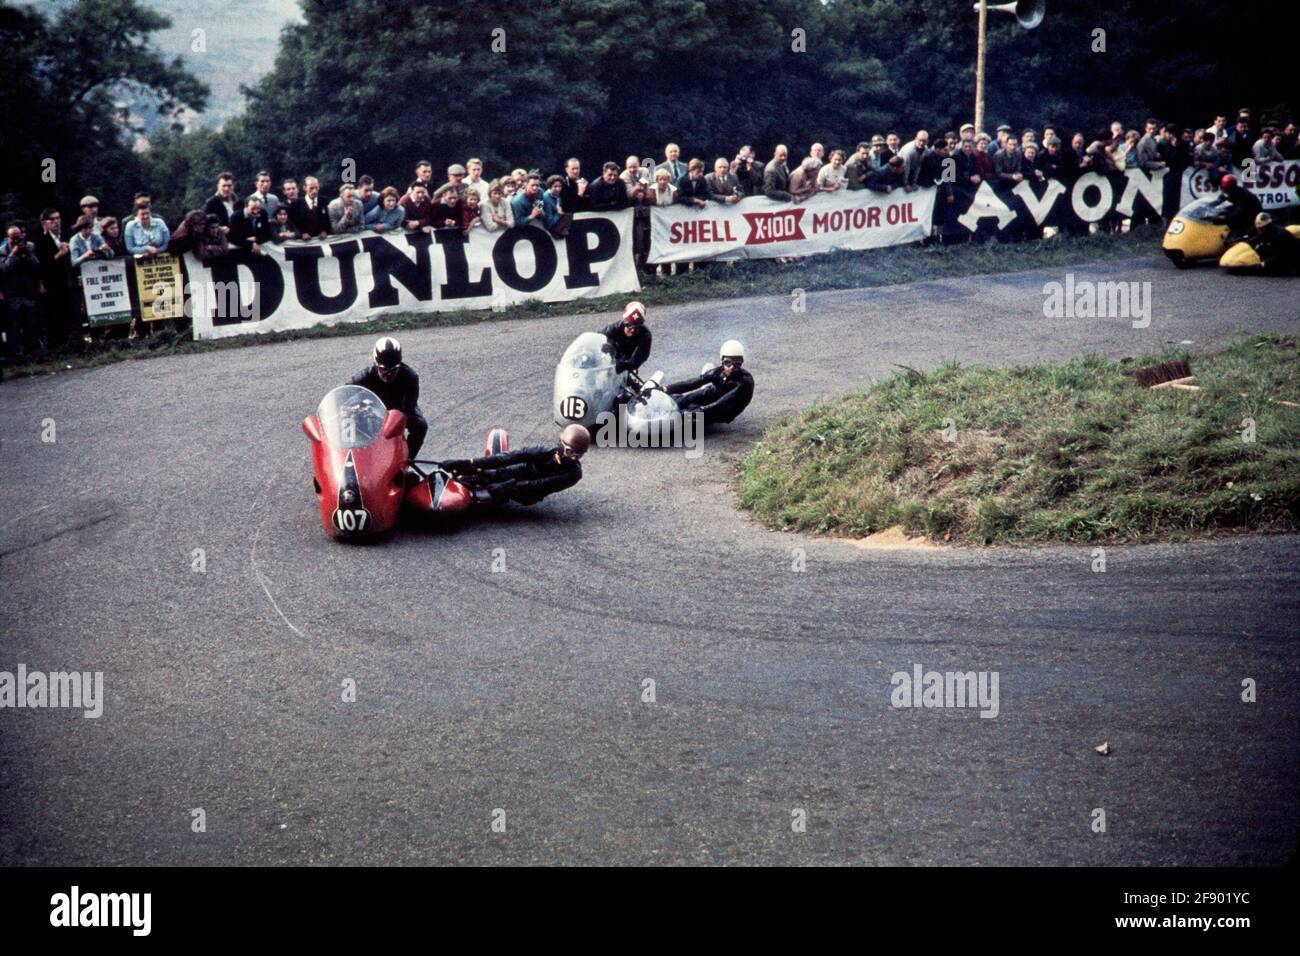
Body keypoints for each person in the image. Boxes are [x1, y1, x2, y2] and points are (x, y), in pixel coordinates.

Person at [443, 424, 590, 507]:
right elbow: (511, 457)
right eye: (570, 452)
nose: (572, 458)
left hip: (531, 493)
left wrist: (507, 486)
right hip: (524, 471)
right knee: (489, 475)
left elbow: (540, 485)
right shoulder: (544, 451)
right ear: (561, 444)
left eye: (578, 455)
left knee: (495, 492)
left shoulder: (573, 474)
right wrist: (470, 462)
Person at [350, 337, 427, 460]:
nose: (389, 374)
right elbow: (344, 394)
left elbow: (410, 407)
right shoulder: (364, 377)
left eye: (393, 369)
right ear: (376, 365)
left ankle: (407, 460)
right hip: (372, 410)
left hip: (400, 410)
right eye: (384, 369)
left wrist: (399, 420)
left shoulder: (411, 377)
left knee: (420, 426)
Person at [663, 340, 753, 426]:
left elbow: (720, 404)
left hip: (724, 411)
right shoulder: (718, 372)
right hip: (715, 395)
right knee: (684, 399)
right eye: (728, 363)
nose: (732, 367)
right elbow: (694, 383)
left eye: (737, 364)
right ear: (722, 361)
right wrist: (666, 389)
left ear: (742, 363)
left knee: (685, 419)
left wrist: (693, 412)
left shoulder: (745, 382)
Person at [0, 224, 45, 359]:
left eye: (18, 238)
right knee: (14, 326)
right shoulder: (2, 250)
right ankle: (17, 355)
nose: (16, 241)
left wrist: (29, 254)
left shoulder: (30, 246)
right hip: (12, 293)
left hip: (28, 291)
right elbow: (3, 270)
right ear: (7, 238)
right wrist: (13, 254)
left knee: (31, 323)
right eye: (13, 238)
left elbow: (37, 266)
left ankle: (32, 352)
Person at [601, 300, 651, 374]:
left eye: (637, 327)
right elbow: (597, 340)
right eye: (629, 326)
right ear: (624, 323)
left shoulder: (645, 336)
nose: (633, 330)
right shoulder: (613, 328)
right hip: (610, 357)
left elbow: (638, 360)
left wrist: (624, 365)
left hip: (628, 361)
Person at [1217, 174, 1263, 240]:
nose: (1225, 191)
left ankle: (1237, 236)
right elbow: (1220, 200)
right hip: (1242, 211)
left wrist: (1225, 217)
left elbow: (1239, 212)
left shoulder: (1243, 196)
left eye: (1226, 189)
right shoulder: (1230, 192)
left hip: (1251, 215)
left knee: (1232, 219)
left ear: (1231, 188)